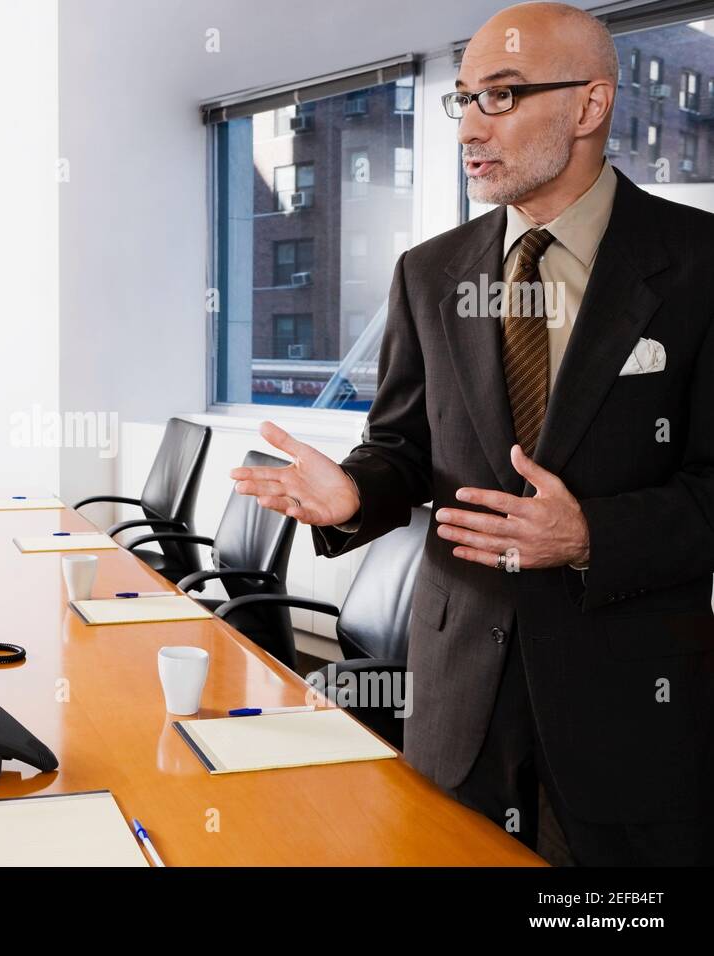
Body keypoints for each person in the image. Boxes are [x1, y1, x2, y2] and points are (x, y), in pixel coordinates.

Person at [232, 3, 713, 865]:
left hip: (629, 715)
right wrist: (355, 491)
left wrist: (591, 536)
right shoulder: (431, 271)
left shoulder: (700, 265)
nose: (470, 129)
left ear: (590, 107)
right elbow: (404, 446)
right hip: (459, 704)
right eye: (463, 101)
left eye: (504, 95)